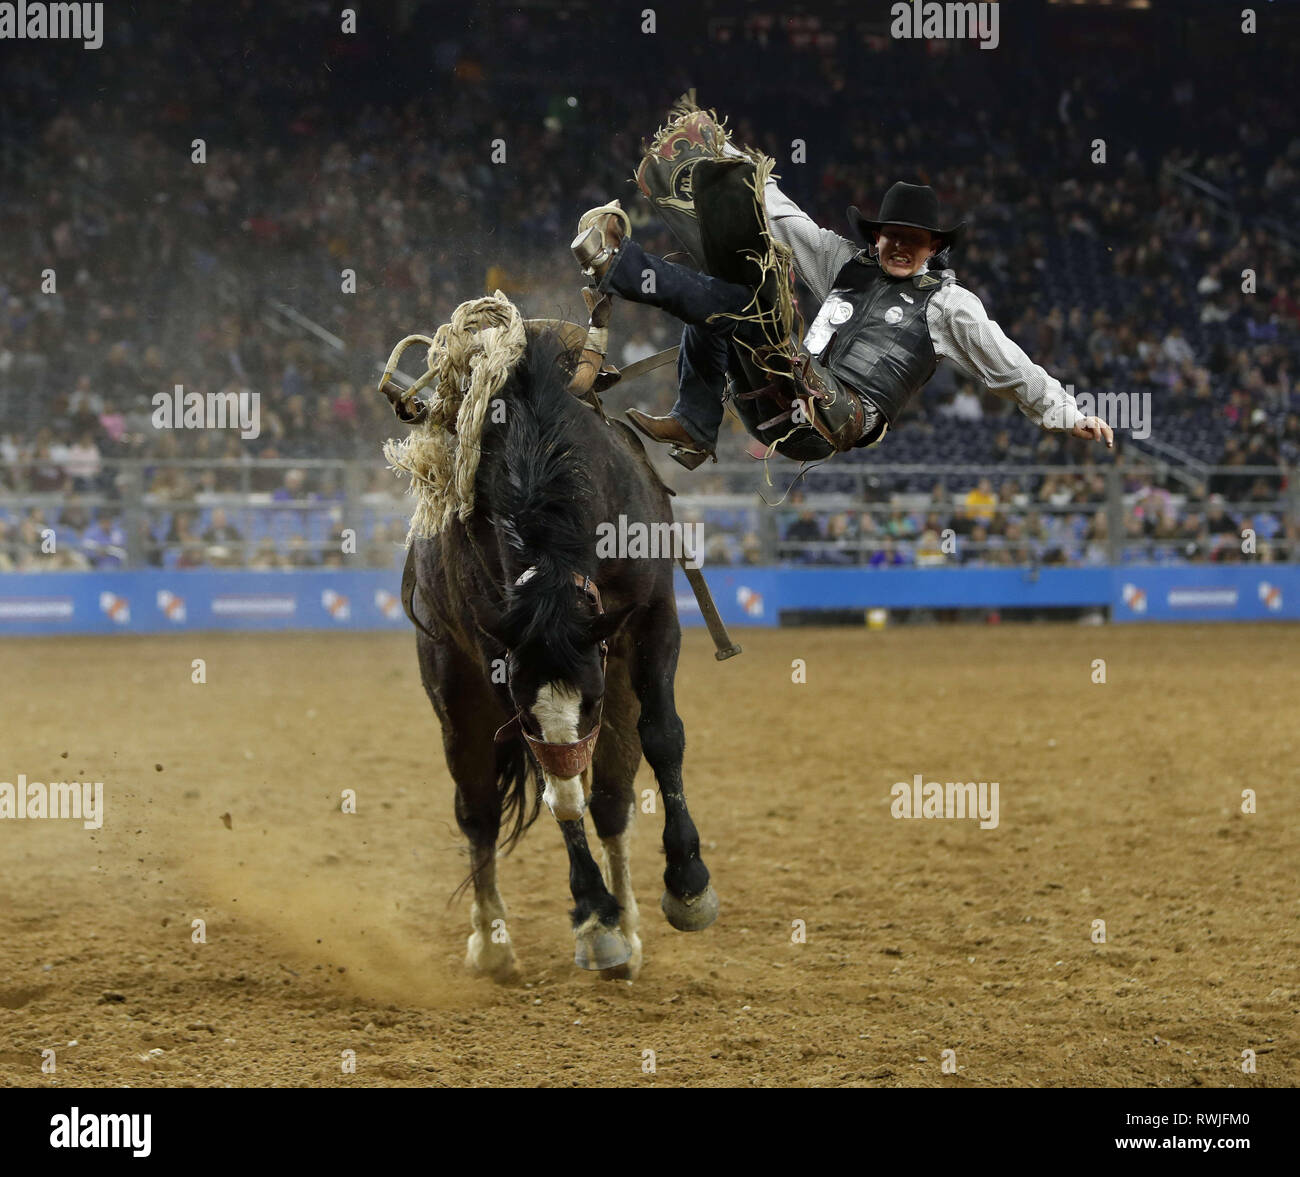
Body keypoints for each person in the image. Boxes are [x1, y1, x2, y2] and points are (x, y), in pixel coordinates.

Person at [572, 105, 1114, 466]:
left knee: (749, 304)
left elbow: (1006, 360)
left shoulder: (948, 304)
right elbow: (784, 219)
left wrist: (1066, 413)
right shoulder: (844, 263)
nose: (901, 247)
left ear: (933, 248)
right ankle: (695, 422)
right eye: (893, 236)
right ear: (876, 238)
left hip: (838, 414)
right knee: (734, 286)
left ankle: (620, 265)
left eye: (915, 240)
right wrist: (729, 160)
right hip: (780, 401)